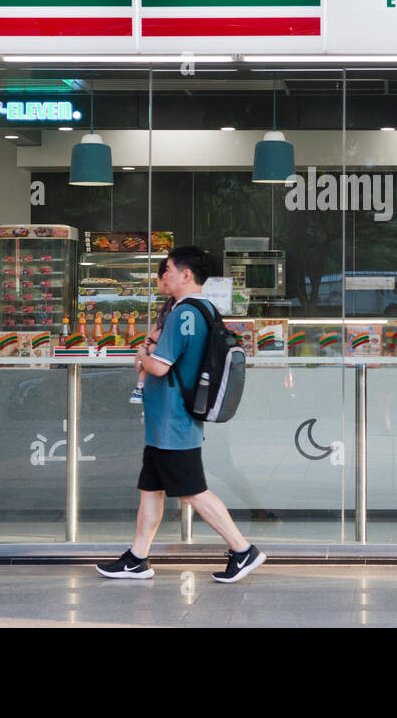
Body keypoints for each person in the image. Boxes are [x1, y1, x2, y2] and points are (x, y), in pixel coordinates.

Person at [97, 245, 267, 582]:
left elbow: (160, 367)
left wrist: (140, 358)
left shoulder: (185, 313)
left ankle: (242, 549)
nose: (163, 275)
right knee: (151, 488)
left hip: (175, 419)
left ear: (186, 274)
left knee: (192, 491)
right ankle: (137, 557)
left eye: (168, 269)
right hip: (166, 420)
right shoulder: (197, 310)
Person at [129, 255, 175, 404]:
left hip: (168, 396)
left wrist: (144, 354)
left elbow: (156, 367)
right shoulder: (169, 305)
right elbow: (139, 363)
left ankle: (141, 390)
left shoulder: (180, 309)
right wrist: (143, 353)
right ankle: (142, 390)